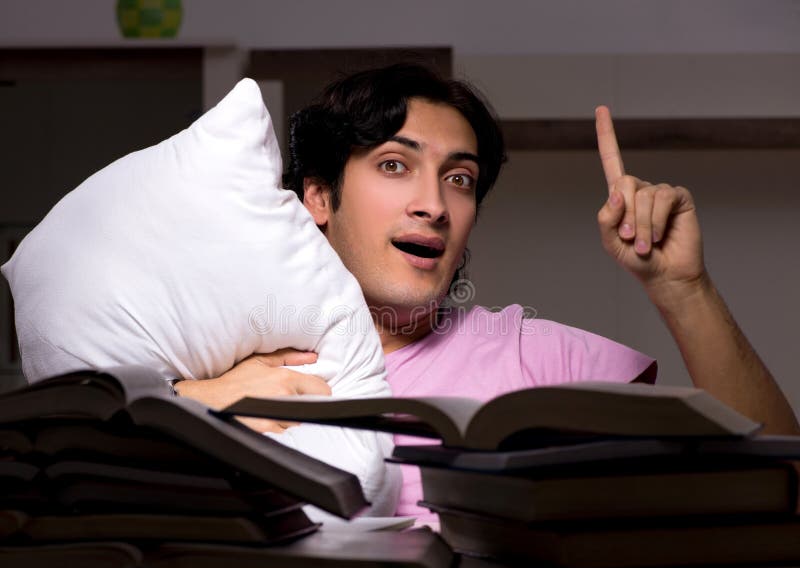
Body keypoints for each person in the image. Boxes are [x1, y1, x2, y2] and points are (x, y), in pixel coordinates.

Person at [175, 63, 799, 520]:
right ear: (318, 196)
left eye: (460, 178)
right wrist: (191, 400)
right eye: (395, 165)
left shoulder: (537, 358)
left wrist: (684, 288)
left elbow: (781, 481)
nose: (434, 205)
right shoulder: (227, 356)